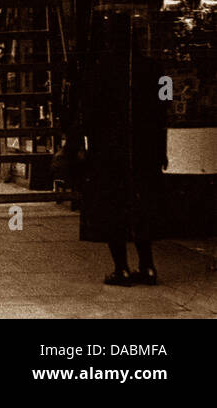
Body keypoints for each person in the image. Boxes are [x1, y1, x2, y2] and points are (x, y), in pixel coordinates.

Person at [80, 15, 167, 286]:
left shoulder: (100, 69)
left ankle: (122, 268)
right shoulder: (156, 69)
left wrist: (87, 145)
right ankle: (148, 266)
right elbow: (163, 109)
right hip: (146, 149)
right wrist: (161, 148)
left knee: (113, 208)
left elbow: (90, 114)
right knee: (141, 206)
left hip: (110, 151)